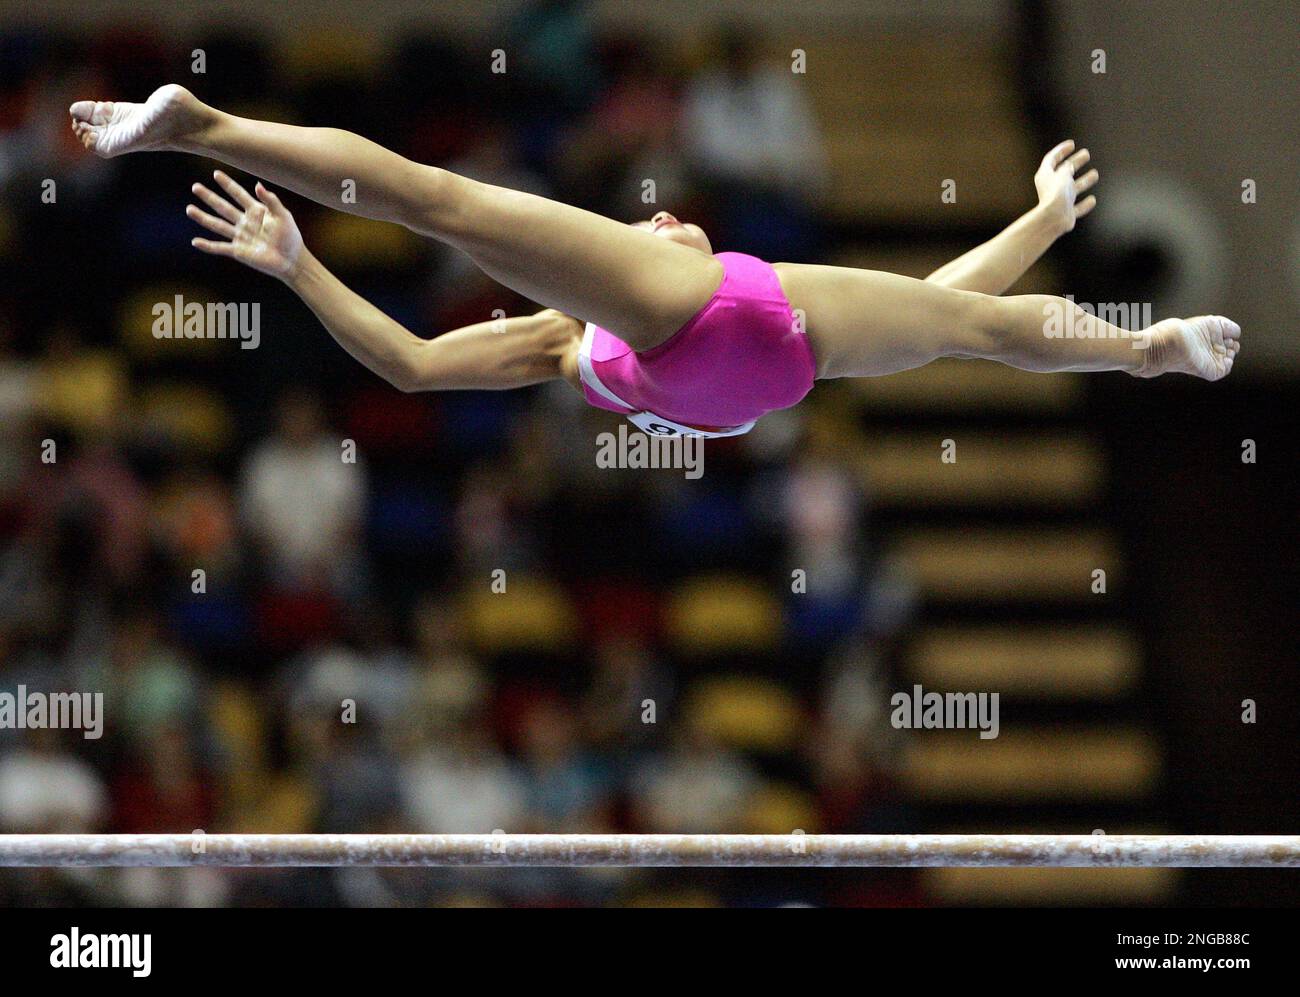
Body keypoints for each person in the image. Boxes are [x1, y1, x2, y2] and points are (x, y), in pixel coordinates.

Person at [71, 85, 1240, 440]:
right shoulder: (575, 331)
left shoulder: (581, 342)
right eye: (650, 222)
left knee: (452, 209)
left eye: (677, 220)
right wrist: (299, 268)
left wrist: (1038, 220)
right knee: (444, 203)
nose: (665, 221)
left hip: (758, 343)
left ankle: (1143, 348)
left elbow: (950, 303)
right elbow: (416, 365)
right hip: (771, 356)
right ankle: (200, 125)